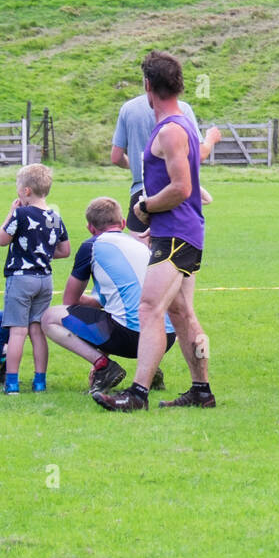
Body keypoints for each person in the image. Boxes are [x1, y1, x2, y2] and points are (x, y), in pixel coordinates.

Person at [94, 51, 215, 412]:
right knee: (180, 314)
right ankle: (201, 391)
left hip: (177, 234)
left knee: (149, 309)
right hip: (175, 231)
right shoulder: (180, 124)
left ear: (148, 85)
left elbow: (181, 188)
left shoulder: (172, 129)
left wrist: (145, 208)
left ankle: (137, 394)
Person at [43, 196, 177, 393]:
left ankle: (103, 367)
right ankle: (152, 369)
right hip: (167, 336)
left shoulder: (92, 245)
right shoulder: (139, 245)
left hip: (131, 336)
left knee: (50, 317)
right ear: (123, 223)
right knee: (121, 314)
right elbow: (111, 301)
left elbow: (70, 302)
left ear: (90, 228)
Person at [0, 163, 69, 394]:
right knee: (37, 330)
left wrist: (11, 211)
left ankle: (12, 382)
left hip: (20, 278)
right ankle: (40, 381)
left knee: (17, 331)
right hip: (44, 280)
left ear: (26, 191)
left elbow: (2, 239)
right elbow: (64, 250)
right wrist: (43, 255)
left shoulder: (21, 213)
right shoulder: (55, 217)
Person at [111, 89, 218, 234]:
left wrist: (140, 166)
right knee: (174, 254)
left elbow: (116, 157)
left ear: (147, 82)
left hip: (140, 195)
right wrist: (211, 139)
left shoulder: (128, 109)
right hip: (171, 195)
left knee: (139, 254)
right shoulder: (182, 109)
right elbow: (199, 155)